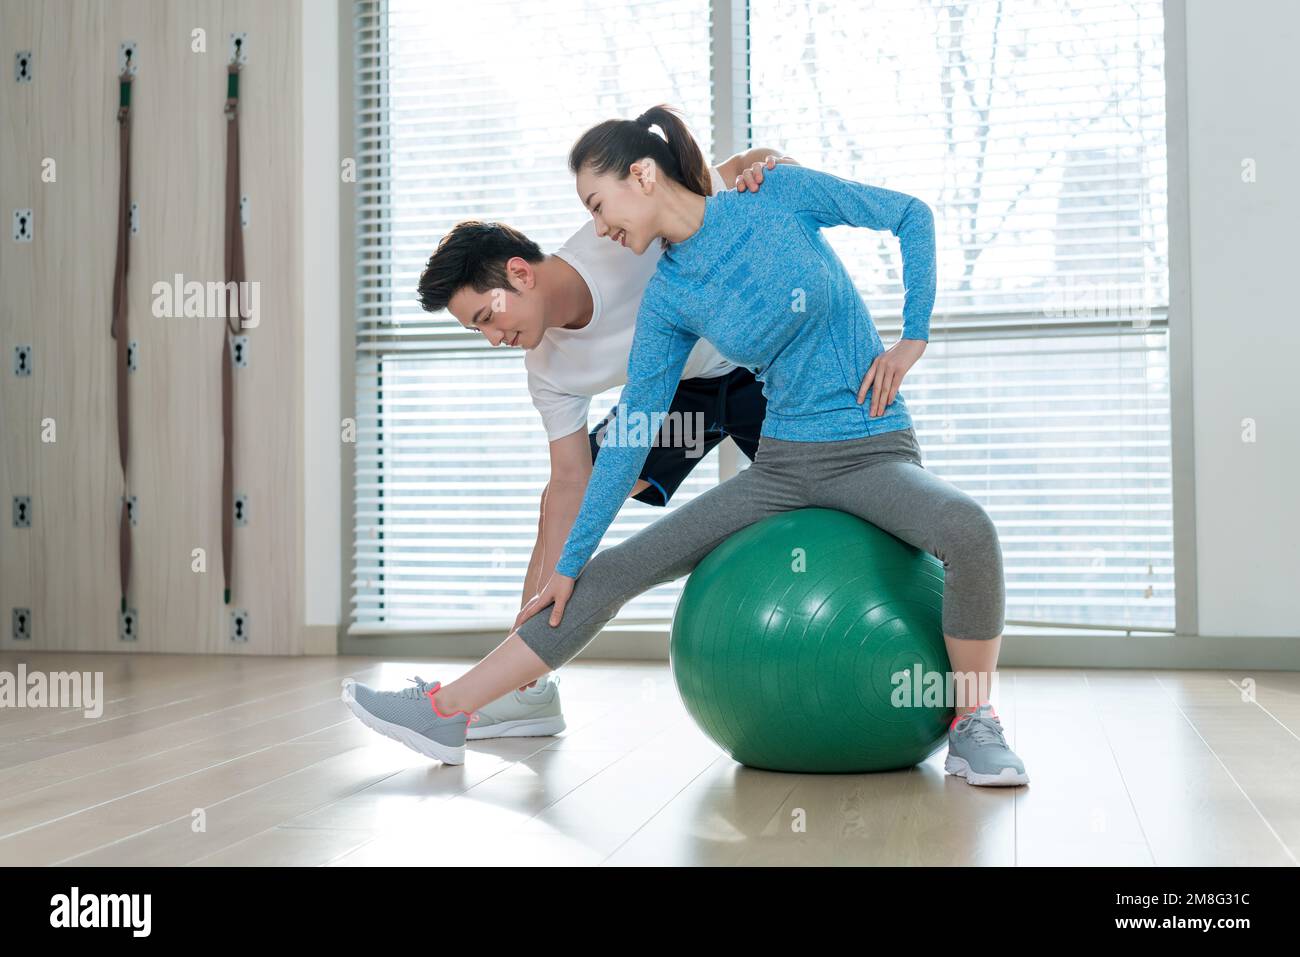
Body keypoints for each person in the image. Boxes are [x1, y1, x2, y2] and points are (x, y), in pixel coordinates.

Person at [345, 105, 1029, 787]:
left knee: (968, 529)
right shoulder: (668, 297)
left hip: (867, 449)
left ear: (641, 175)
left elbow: (910, 213)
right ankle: (446, 708)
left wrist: (912, 338)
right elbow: (630, 438)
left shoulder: (777, 194)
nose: (599, 225)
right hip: (783, 469)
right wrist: (571, 559)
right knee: (601, 574)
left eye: (598, 203)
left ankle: (974, 724)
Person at [346, 132, 791, 742]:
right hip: (676, 395)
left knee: (843, 486)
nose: (491, 338)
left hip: (762, 367)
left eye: (485, 317)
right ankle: (521, 689)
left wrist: (772, 170)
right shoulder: (549, 369)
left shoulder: (618, 235)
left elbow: (736, 168)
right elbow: (568, 486)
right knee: (569, 504)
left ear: (519, 274)